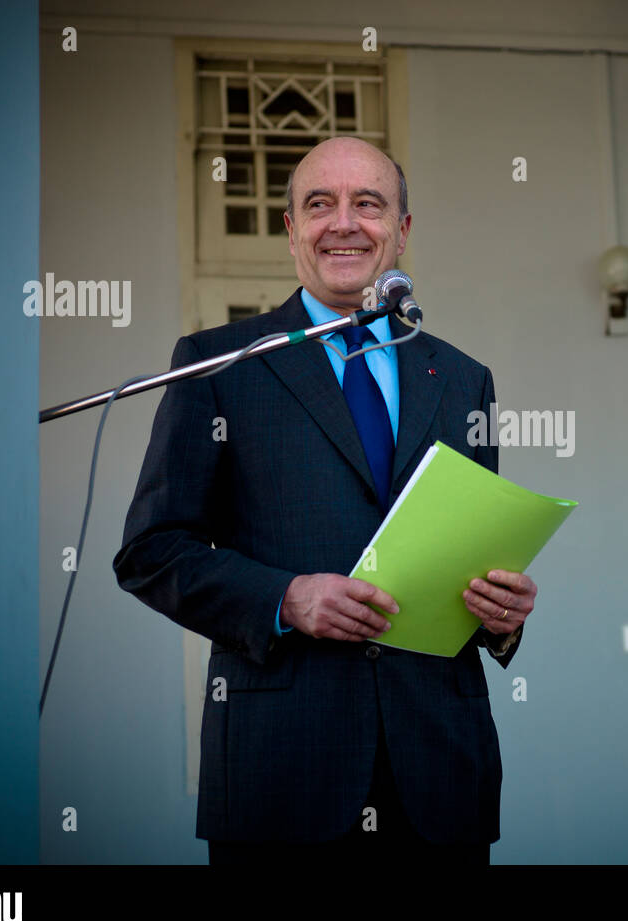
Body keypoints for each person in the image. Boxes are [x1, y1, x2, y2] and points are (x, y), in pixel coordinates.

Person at [113, 136, 538, 865]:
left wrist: (500, 618)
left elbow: (473, 555)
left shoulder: (464, 378)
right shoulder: (218, 364)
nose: (344, 222)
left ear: (402, 229)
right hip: (281, 773)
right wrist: (286, 598)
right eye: (319, 204)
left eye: (368, 204)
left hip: (439, 776)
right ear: (290, 230)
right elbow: (151, 552)